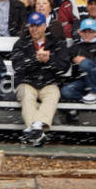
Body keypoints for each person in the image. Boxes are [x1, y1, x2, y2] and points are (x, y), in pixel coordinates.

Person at [10, 12, 69, 147]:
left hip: (48, 82)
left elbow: (64, 66)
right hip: (27, 82)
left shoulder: (56, 42)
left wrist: (50, 60)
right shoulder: (21, 43)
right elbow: (17, 66)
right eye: (32, 26)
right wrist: (34, 60)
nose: (34, 29)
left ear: (44, 26)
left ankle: (34, 126)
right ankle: (37, 130)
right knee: (26, 95)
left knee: (53, 94)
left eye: (37, 26)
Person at [59, 17, 96, 105]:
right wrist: (72, 60)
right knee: (65, 91)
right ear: (80, 32)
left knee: (85, 63)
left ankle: (95, 92)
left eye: (91, 31)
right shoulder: (76, 47)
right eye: (85, 31)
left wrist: (86, 60)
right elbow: (64, 60)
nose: (87, 34)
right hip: (83, 81)